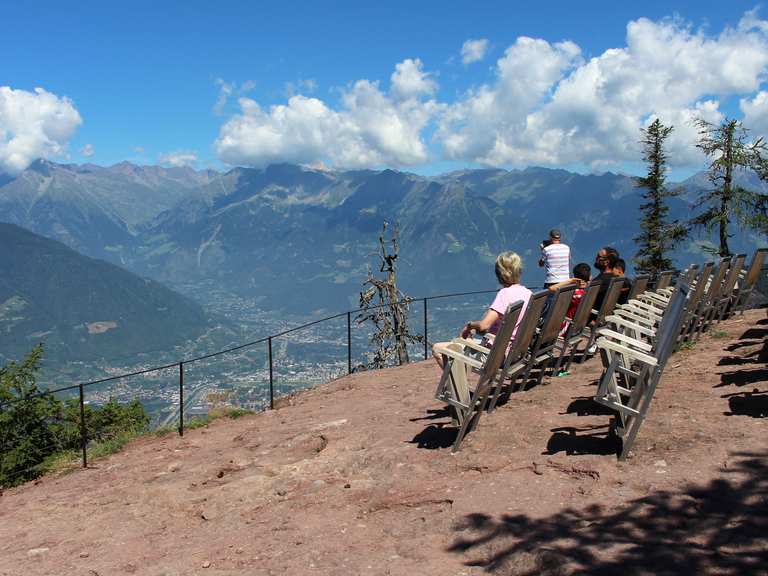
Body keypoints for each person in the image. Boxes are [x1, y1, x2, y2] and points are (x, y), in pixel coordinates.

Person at [433, 251, 532, 369]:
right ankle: (460, 383)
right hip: (515, 352)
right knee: (464, 343)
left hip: (496, 354)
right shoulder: (528, 293)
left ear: (499, 273)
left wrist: (470, 326)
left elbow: (484, 326)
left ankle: (457, 386)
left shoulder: (504, 294)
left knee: (437, 349)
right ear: (519, 270)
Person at [547, 262, 592, 336]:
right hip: (577, 329)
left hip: (564, 329)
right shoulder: (590, 291)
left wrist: (570, 281)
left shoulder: (574, 294)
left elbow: (551, 289)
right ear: (590, 277)